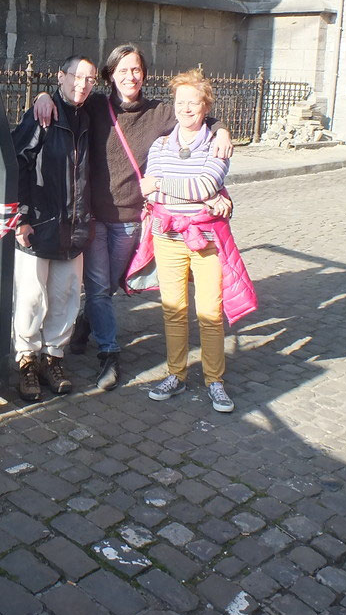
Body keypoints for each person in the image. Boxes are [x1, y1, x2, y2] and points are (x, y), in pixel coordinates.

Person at [33, 44, 232, 391]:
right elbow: (66, 99)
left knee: (111, 284)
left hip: (129, 218)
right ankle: (109, 354)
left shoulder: (158, 113)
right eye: (123, 70)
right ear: (110, 75)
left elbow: (198, 114)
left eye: (136, 69)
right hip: (94, 215)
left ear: (144, 74)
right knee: (98, 289)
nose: (131, 76)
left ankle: (85, 323)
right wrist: (42, 96)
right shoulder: (95, 106)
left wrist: (223, 130)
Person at [140, 69, 251, 413]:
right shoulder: (159, 145)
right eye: (181, 102)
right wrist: (197, 195)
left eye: (194, 103)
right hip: (167, 236)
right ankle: (176, 373)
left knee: (210, 312)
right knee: (174, 311)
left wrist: (161, 185)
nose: (186, 109)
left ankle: (214, 380)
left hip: (206, 240)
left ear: (206, 108)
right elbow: (183, 189)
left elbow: (203, 186)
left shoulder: (218, 144)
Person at [10, 55, 97, 402]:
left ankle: (54, 357)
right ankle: (27, 358)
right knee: (32, 296)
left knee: (65, 295)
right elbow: (18, 165)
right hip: (39, 223)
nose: (82, 84)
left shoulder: (91, 116)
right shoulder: (43, 114)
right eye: (76, 76)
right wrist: (21, 218)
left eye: (90, 79)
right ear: (61, 76)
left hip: (74, 227)